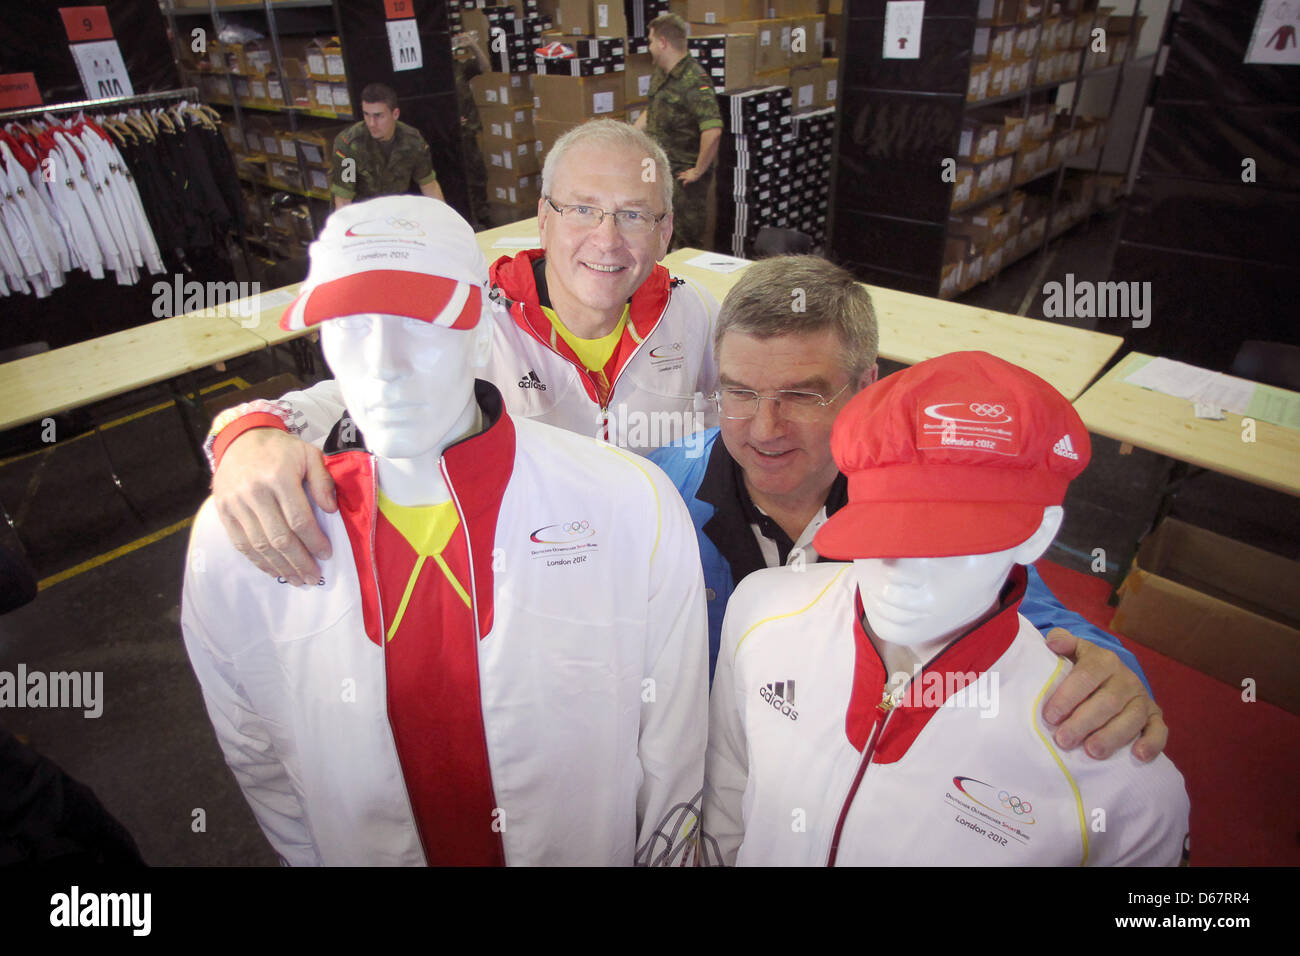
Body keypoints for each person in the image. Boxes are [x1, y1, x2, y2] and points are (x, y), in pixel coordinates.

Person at [181, 197, 708, 866]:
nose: (384, 362)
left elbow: (671, 744)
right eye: (350, 326)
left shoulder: (629, 505)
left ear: (483, 334)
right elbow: (258, 755)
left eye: (420, 323)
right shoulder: (241, 542)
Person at [649, 256, 1166, 760]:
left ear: (866, 387)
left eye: (802, 396)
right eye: (739, 392)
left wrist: (1110, 672)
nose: (764, 428)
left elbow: (1025, 607)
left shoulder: (918, 501)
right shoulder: (655, 490)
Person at [702, 350, 1190, 866]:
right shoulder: (762, 611)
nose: (900, 572)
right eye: (880, 528)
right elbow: (728, 797)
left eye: (950, 544)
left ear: (1040, 533)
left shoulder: (1126, 788)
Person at [206, 120, 719, 587]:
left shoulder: (688, 311)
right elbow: (349, 396)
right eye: (582, 209)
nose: (606, 239)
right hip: (528, 586)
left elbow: (742, 401)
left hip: (657, 570)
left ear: (665, 231)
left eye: (633, 214)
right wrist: (249, 434)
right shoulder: (473, 321)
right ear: (544, 218)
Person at [635, 13, 723, 252]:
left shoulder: (694, 79)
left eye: (652, 41)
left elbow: (713, 130)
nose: (650, 47)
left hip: (683, 181)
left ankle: (682, 286)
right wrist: (629, 138)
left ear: (663, 43)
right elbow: (651, 111)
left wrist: (698, 170)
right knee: (654, 233)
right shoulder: (661, 75)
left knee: (686, 243)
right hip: (656, 172)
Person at [330, 83, 444, 209]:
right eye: (366, 115)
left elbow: (429, 186)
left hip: (394, 213)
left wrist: (444, 221)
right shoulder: (349, 144)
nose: (372, 123)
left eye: (378, 116)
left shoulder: (413, 141)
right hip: (361, 215)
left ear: (395, 114)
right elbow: (343, 200)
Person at [452, 31, 490, 229]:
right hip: (450, 137)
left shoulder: (459, 68)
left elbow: (484, 66)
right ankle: (468, 221)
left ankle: (483, 218)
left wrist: (472, 45)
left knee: (478, 175)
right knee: (461, 179)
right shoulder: (433, 75)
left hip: (468, 133)